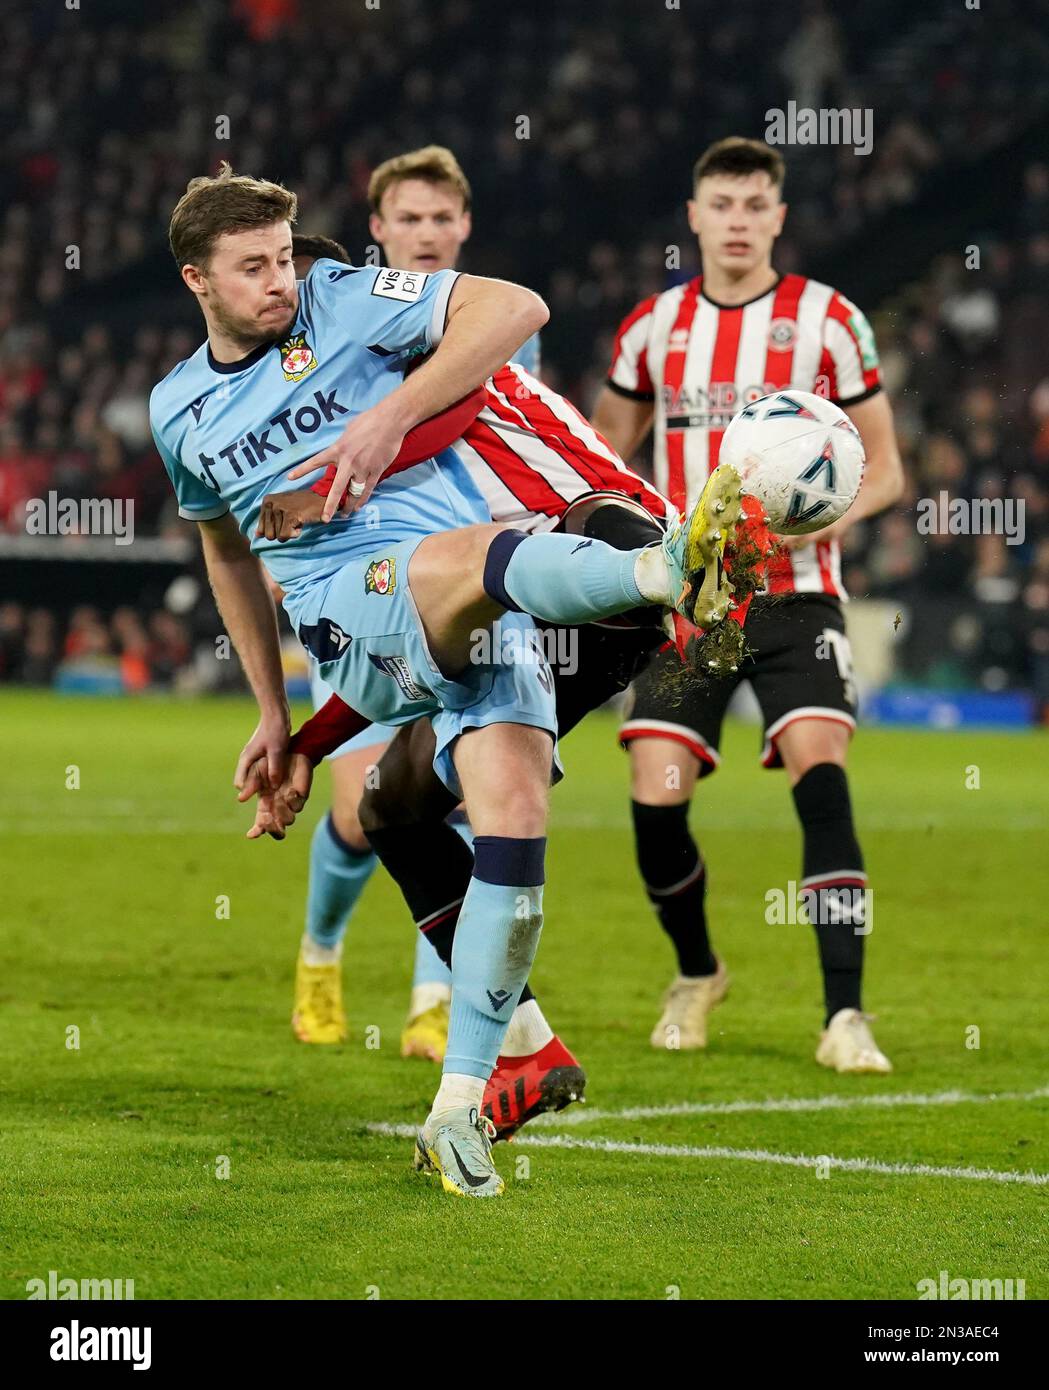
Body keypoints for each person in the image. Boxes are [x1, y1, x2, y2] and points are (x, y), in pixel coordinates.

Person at [150, 162, 745, 1195]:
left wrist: (382, 420)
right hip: (358, 601)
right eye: (252, 268)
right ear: (196, 279)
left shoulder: (346, 303)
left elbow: (513, 308)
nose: (280, 282)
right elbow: (226, 556)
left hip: (488, 604)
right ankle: (660, 573)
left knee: (496, 827)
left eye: (285, 257)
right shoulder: (179, 410)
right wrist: (273, 714)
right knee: (481, 558)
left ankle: (464, 1101)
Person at [591, 137, 904, 1072]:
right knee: (656, 797)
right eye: (719, 204)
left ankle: (844, 1015)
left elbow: (884, 472)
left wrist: (799, 532)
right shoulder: (652, 328)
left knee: (822, 774)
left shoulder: (829, 322)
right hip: (690, 607)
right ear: (693, 216)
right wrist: (652, 555)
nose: (736, 220)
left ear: (777, 215)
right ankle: (697, 972)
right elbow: (607, 463)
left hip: (799, 599)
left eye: (753, 204)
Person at [286, 146, 538, 1062]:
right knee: (360, 814)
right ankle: (320, 954)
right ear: (377, 234)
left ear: (464, 227)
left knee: (457, 799)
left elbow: (503, 438)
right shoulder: (344, 321)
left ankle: (436, 999)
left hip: (459, 587)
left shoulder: (501, 322)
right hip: (358, 591)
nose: (428, 234)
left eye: (443, 220)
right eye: (410, 220)